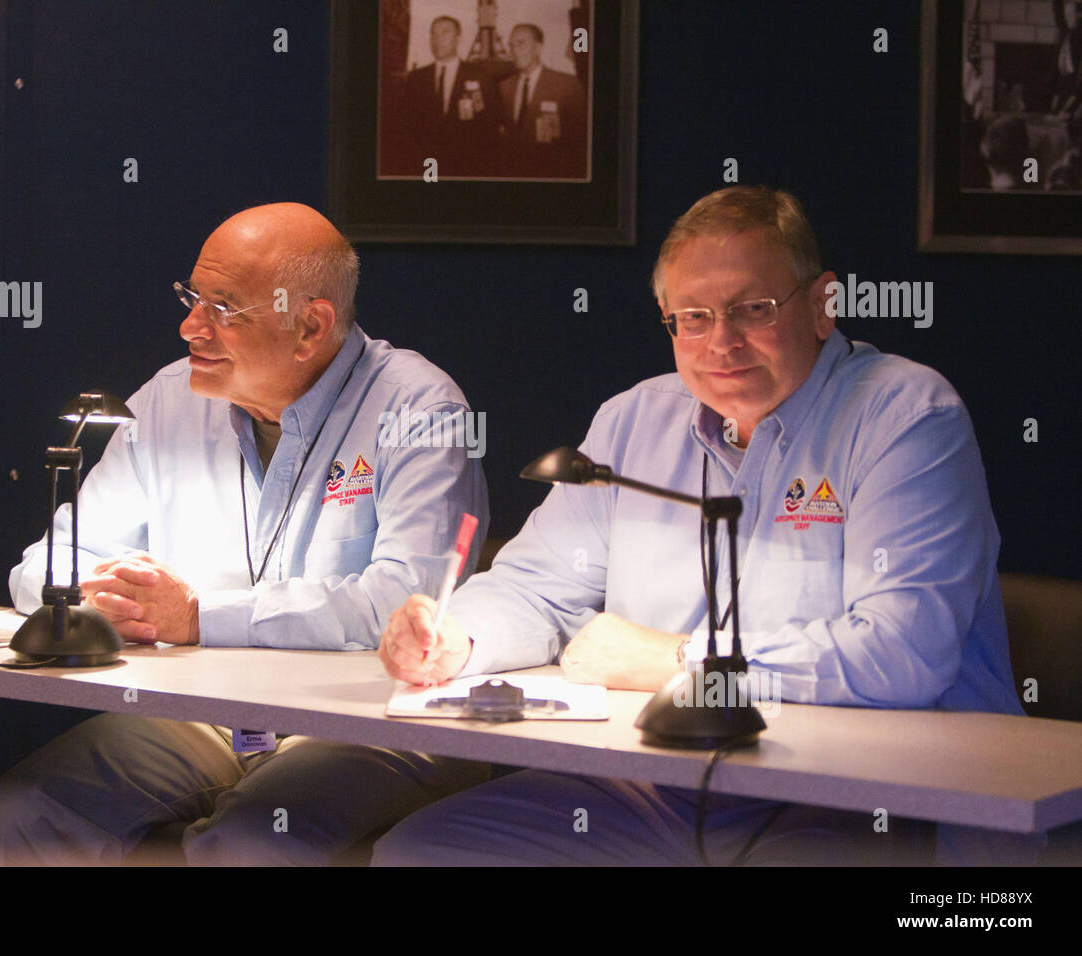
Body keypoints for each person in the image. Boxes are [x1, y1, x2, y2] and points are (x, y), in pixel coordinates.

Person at [372, 185, 1032, 866]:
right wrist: (457, 635)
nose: (722, 340)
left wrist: (682, 662)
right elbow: (538, 586)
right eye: (694, 316)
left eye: (753, 309)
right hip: (655, 787)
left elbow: (905, 652)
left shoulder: (906, 416)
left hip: (866, 799)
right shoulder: (632, 420)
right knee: (421, 852)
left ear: (823, 304)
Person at [0, 202, 491, 865]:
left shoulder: (420, 410)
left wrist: (196, 616)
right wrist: (88, 596)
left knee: (249, 839)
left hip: (370, 713)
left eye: (224, 309)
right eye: (193, 298)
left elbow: (405, 606)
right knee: (26, 810)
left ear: (309, 327)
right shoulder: (169, 400)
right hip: (204, 708)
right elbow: (43, 565)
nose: (190, 325)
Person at [400, 15, 501, 176]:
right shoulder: (416, 78)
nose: (438, 39)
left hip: (467, 165)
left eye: (445, 32)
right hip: (426, 165)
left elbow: (489, 124)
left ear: (459, 38)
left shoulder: (479, 76)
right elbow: (406, 124)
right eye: (433, 34)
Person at [497, 23, 588, 178]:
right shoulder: (504, 87)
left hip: (554, 174)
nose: (514, 51)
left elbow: (581, 141)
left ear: (538, 48)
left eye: (521, 43)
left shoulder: (566, 84)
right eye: (511, 45)